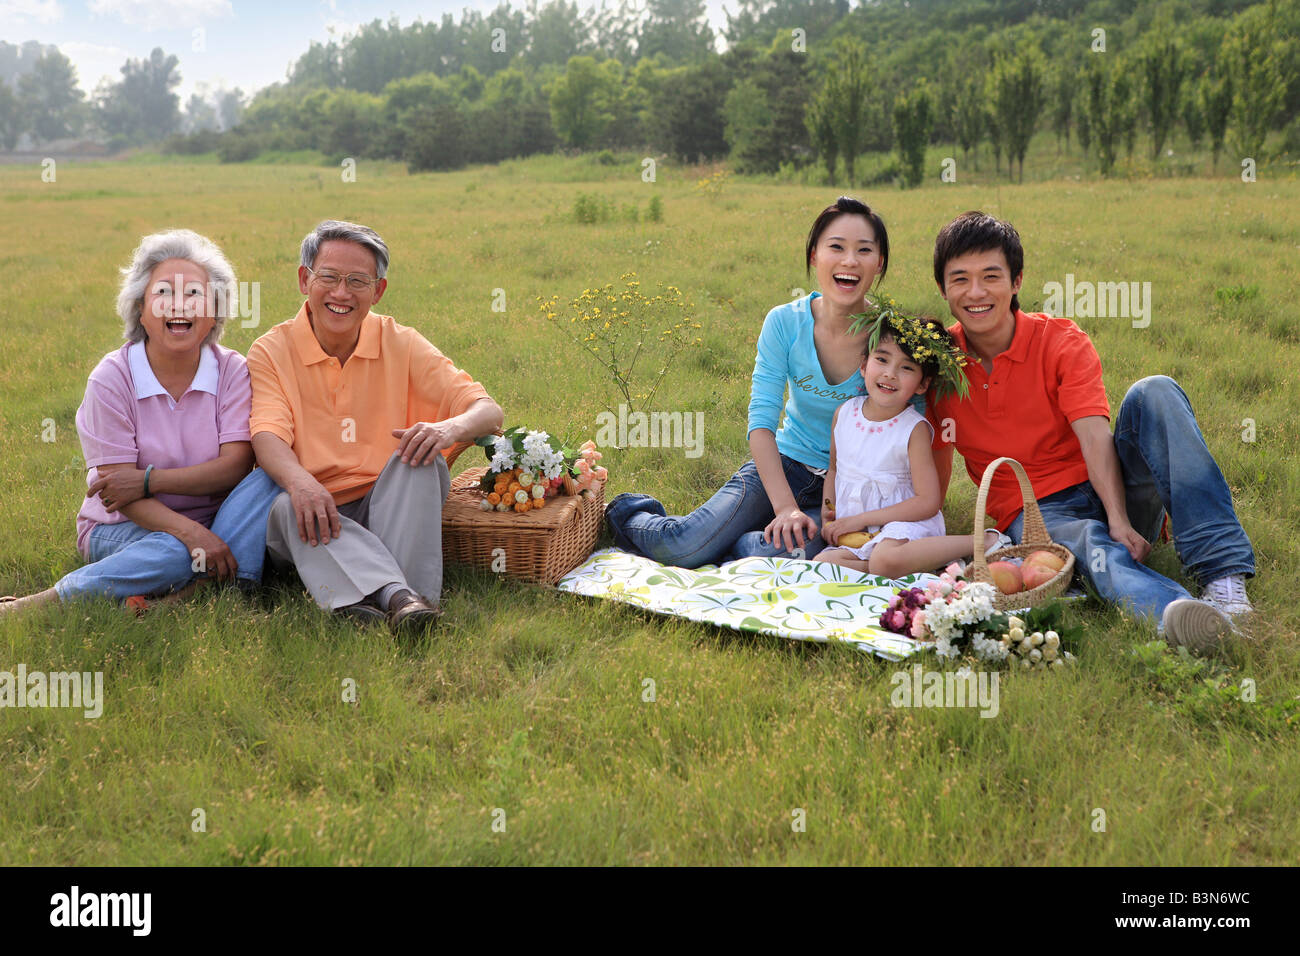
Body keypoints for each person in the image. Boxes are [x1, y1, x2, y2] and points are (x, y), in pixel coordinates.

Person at [925, 211, 1255, 652]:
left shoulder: (1060, 340)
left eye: (991, 276)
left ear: (1017, 280)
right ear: (944, 289)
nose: (977, 292)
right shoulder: (942, 366)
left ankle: (1223, 578)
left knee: (1154, 392)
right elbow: (933, 466)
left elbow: (1094, 436)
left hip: (1110, 486)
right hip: (1038, 515)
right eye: (960, 279)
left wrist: (1119, 519)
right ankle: (1179, 616)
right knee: (1088, 542)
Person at [0, 230, 280, 616]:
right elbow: (119, 493)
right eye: (164, 293)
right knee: (177, 554)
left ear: (214, 311)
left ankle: (200, 585)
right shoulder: (111, 378)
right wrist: (191, 535)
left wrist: (150, 480)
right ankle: (45, 604)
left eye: (194, 294)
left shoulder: (232, 370)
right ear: (140, 309)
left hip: (217, 521)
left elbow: (234, 467)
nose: (178, 306)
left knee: (270, 478)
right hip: (123, 525)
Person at [606, 196, 894, 567]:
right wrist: (786, 508)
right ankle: (627, 511)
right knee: (684, 547)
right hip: (783, 466)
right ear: (814, 257)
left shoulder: (892, 338)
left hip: (849, 489)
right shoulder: (785, 322)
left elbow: (912, 430)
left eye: (864, 250)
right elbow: (761, 422)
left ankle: (734, 540)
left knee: (763, 555)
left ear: (879, 263)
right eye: (836, 247)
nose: (850, 261)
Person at [247, 220, 503, 634]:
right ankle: (404, 601)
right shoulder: (271, 350)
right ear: (303, 279)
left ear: (378, 290)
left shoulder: (400, 341)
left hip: (391, 508)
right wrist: (299, 480)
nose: (341, 293)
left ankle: (369, 601)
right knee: (283, 506)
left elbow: (488, 411)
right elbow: (267, 434)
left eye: (357, 281)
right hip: (318, 511)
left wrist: (448, 429)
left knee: (419, 456)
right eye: (328, 277)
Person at [815, 307, 1007, 577]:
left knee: (884, 558)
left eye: (906, 367)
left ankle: (983, 542)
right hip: (862, 533)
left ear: (922, 384)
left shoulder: (912, 429)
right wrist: (829, 512)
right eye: (881, 359)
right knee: (822, 565)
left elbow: (928, 501)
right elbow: (834, 470)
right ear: (863, 365)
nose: (890, 374)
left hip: (905, 526)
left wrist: (860, 519)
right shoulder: (844, 414)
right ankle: (921, 567)